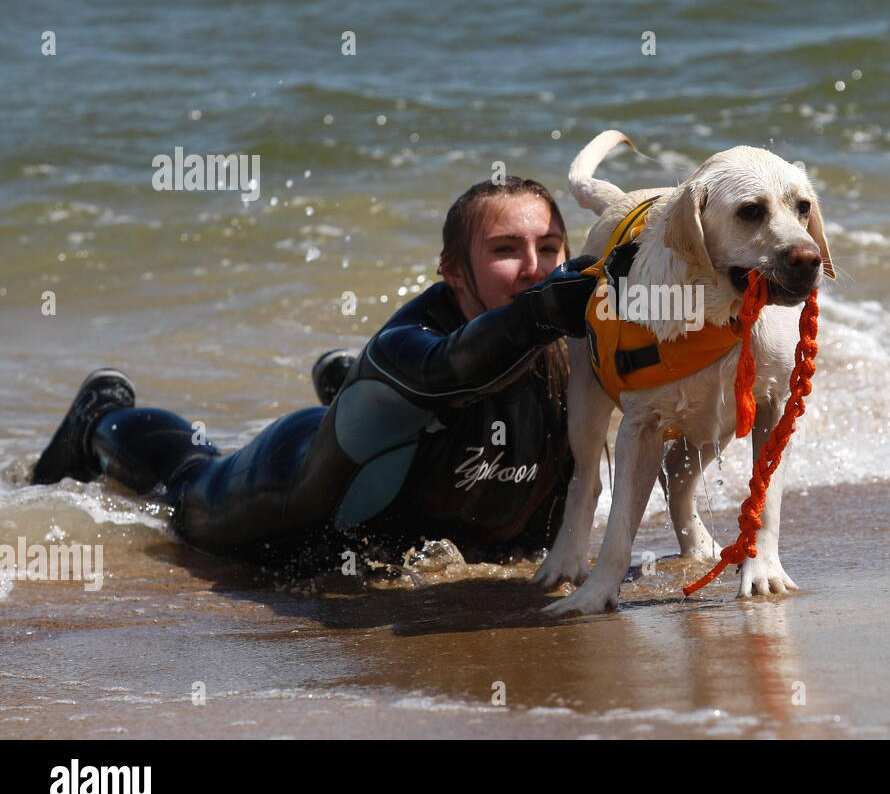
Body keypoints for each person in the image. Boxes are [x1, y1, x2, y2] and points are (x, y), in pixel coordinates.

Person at [29, 176, 600, 574]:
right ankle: (102, 411)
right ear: (453, 270)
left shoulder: (569, 353)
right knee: (185, 486)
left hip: (379, 450)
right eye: (506, 249)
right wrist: (542, 310)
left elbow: (571, 472)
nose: (534, 269)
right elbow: (454, 370)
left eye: (550, 248)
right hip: (286, 505)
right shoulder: (407, 348)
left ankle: (344, 388)